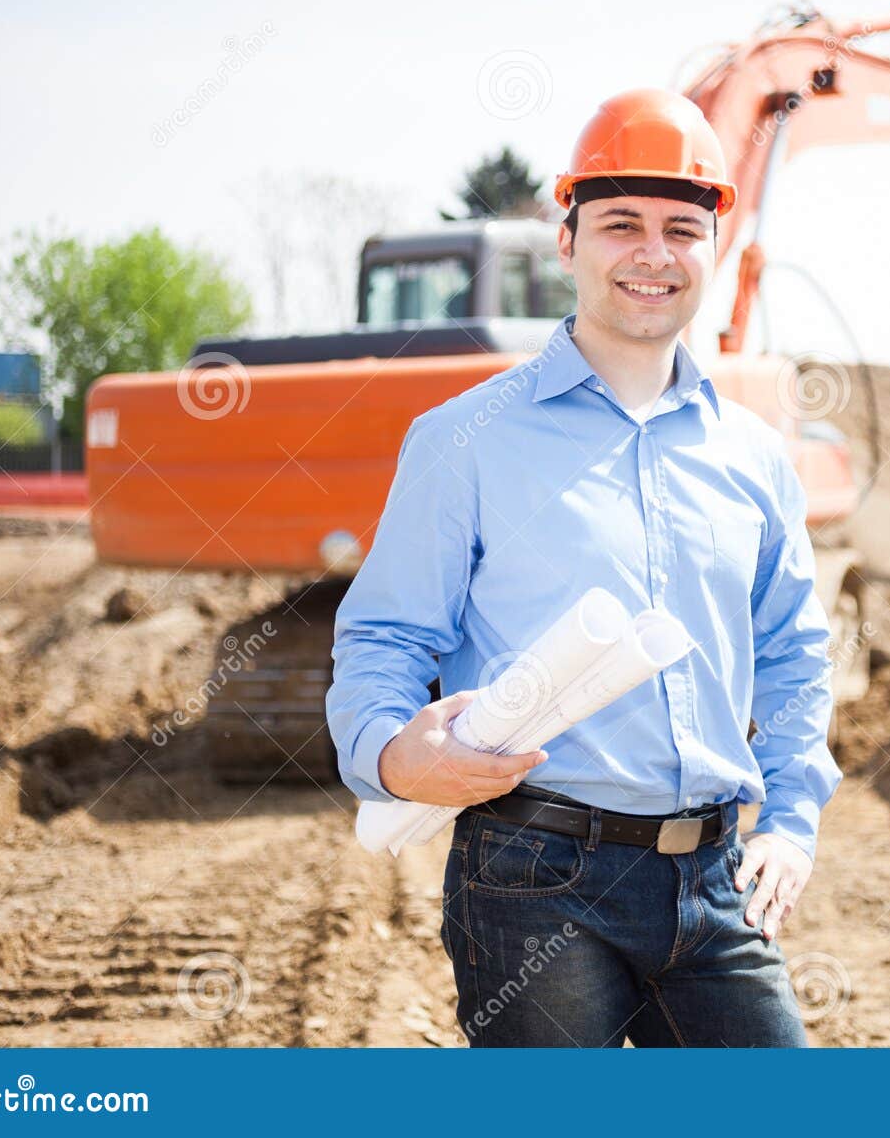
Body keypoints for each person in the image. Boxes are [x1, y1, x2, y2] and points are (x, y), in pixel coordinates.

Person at [326, 88, 842, 1047]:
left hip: (715, 881)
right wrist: (396, 755)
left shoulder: (756, 457)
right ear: (566, 243)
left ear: (713, 251)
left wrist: (793, 818)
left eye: (682, 228)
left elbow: (799, 653)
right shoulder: (463, 440)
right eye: (620, 225)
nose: (654, 253)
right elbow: (385, 639)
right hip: (532, 877)